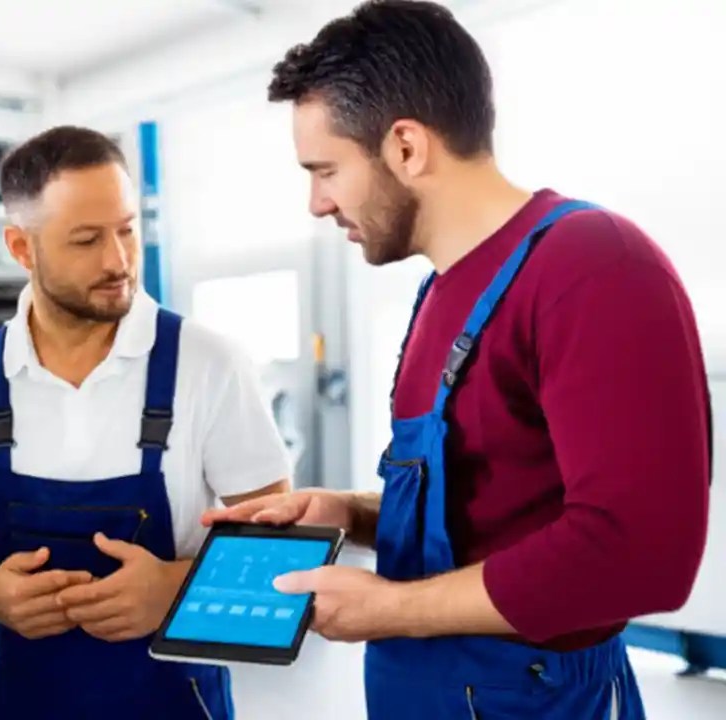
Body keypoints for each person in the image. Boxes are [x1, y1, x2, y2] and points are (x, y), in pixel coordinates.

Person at [205, 2, 712, 718]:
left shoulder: (594, 267)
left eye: (325, 170)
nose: (317, 203)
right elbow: (488, 510)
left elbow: (639, 557)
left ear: (406, 147)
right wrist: (344, 512)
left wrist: (394, 610)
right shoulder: (438, 295)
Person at [0, 126, 293, 719]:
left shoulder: (208, 365)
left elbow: (282, 564)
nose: (117, 261)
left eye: (127, 231)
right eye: (86, 240)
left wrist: (172, 588)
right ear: (21, 248)